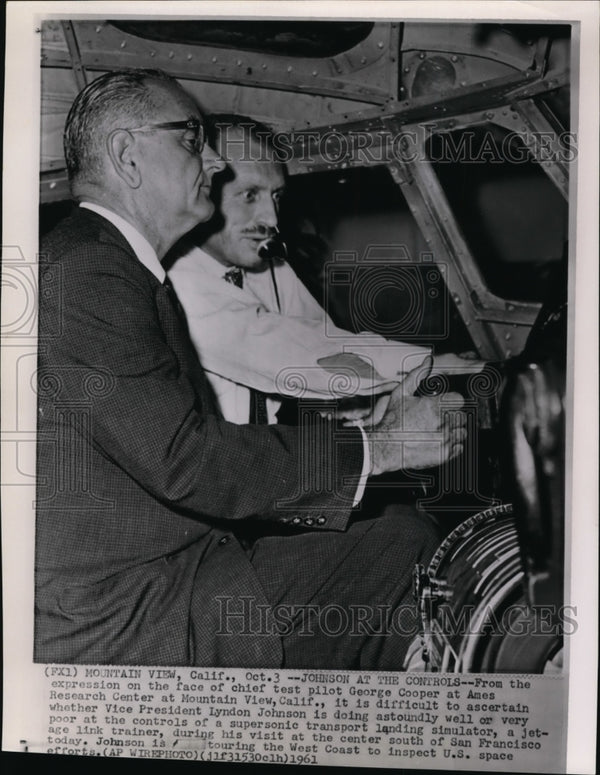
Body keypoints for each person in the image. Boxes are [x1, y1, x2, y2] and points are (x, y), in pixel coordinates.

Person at [36, 69, 467, 669]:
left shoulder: (109, 263)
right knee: (408, 552)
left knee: (400, 537)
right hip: (135, 614)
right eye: (191, 138)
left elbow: (314, 343)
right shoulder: (89, 273)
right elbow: (188, 462)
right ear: (126, 156)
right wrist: (383, 446)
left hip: (171, 569)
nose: (212, 162)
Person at [168, 114, 485, 426]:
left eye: (276, 196)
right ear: (204, 191)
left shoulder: (263, 265)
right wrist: (436, 366)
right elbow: (296, 356)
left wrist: (372, 405)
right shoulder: (177, 282)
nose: (272, 219)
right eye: (250, 195)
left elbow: (323, 336)